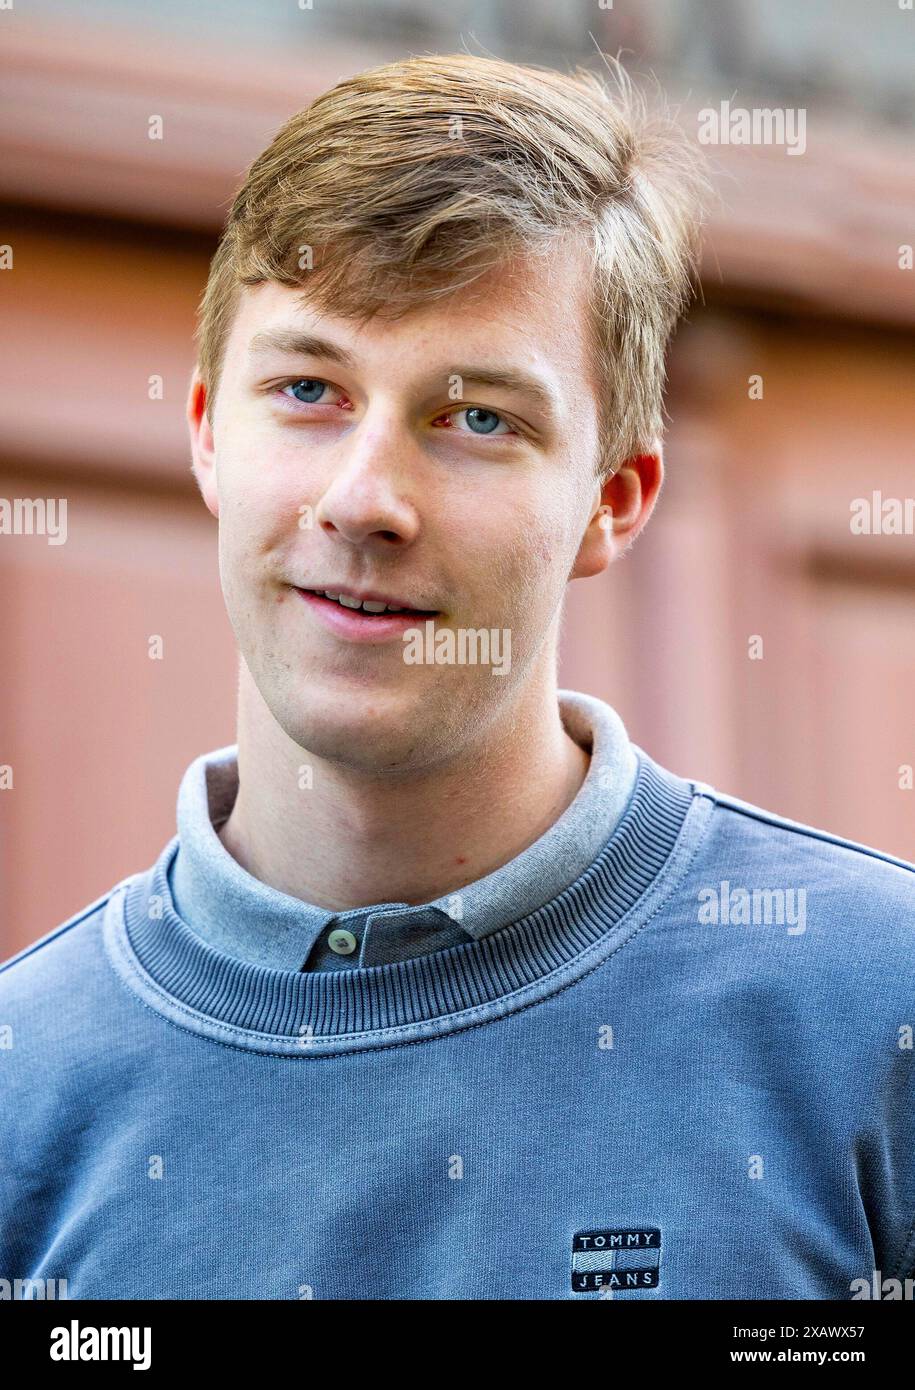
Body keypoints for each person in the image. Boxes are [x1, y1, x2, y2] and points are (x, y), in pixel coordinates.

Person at [1, 52, 912, 1303]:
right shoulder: (21, 1092)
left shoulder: (876, 1011)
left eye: (477, 417)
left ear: (613, 501)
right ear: (210, 431)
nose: (366, 500)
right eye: (309, 389)